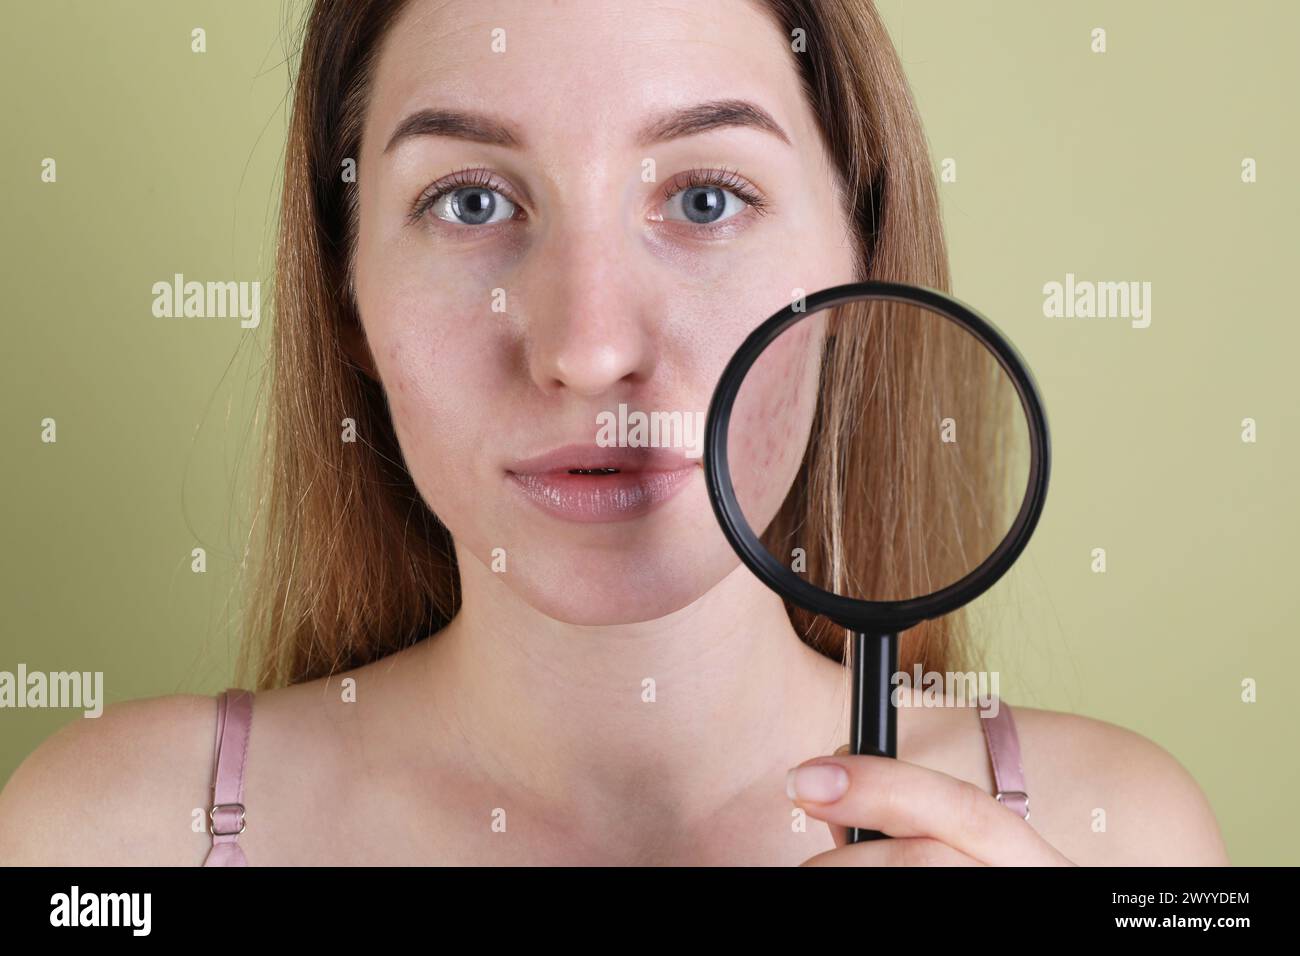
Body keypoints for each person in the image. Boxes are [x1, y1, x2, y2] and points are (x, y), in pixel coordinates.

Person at [0, 0, 1229, 866]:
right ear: (347, 295)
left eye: (705, 197)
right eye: (470, 201)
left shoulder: (1115, 834)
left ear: (859, 257)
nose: (589, 347)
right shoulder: (107, 844)